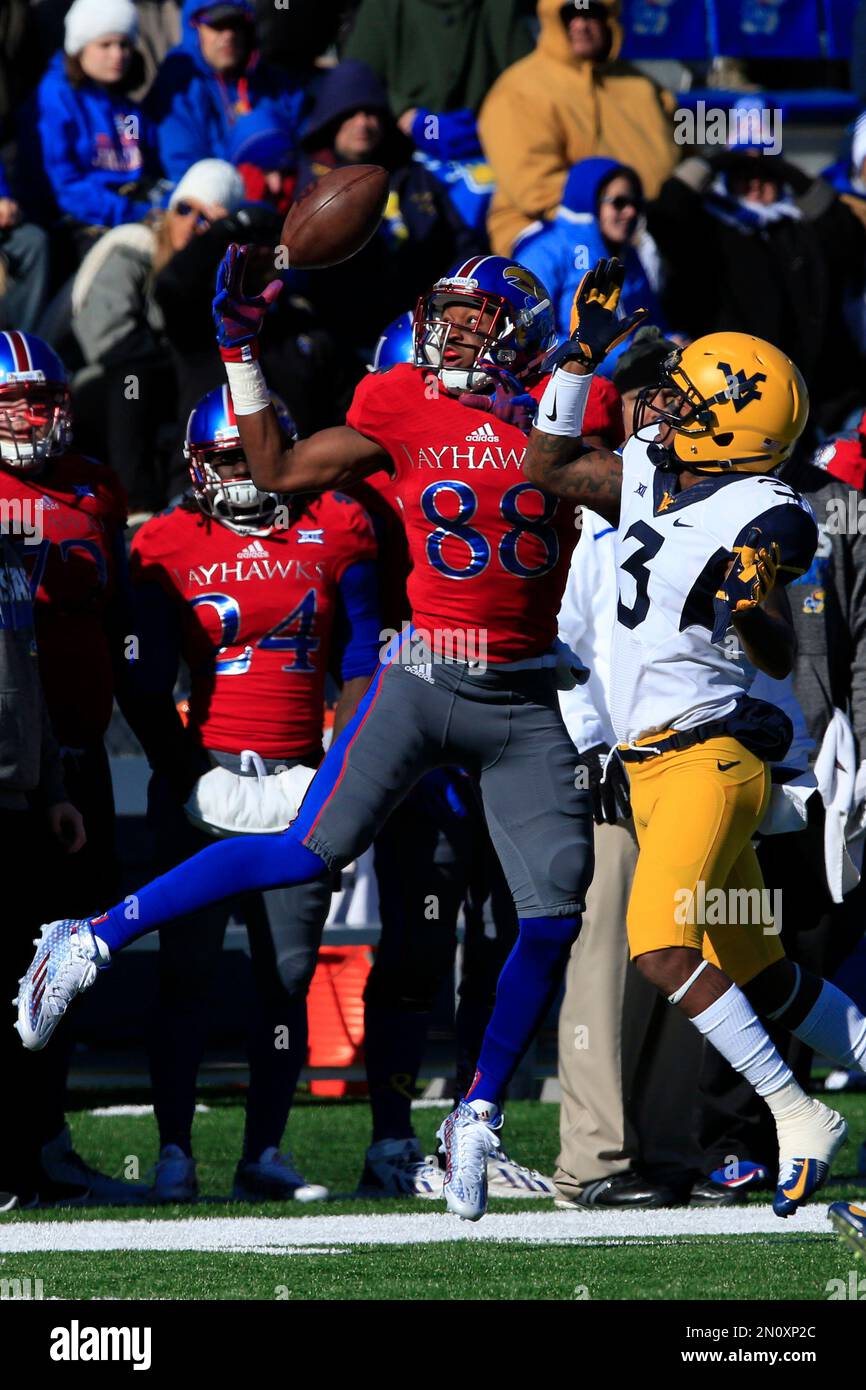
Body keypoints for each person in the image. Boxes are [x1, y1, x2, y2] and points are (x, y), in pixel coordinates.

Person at [15, 252, 619, 1228]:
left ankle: (471, 1119)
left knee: (551, 911)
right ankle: (87, 938)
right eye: (449, 316)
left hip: (519, 693)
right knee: (307, 849)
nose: (458, 336)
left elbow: (598, 480)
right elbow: (279, 471)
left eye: (480, 320)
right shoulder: (394, 397)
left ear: (523, 333)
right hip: (423, 675)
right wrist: (241, 346)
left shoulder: (569, 412)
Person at [516, 261, 866, 1227]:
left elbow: (772, 625)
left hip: (707, 763)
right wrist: (577, 361)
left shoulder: (771, 511)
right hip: (652, 769)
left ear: (734, 424)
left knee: (661, 947)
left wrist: (751, 596)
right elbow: (544, 466)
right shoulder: (644, 478)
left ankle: (798, 1115)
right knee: (760, 966)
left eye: (684, 398)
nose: (662, 406)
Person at [127, 384, 380, 1200]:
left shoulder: (335, 526)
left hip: (301, 777)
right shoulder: (168, 542)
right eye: (224, 458)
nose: (240, 474)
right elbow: (141, 678)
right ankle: (173, 1149)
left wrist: (342, 760)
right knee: (187, 973)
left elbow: (365, 657)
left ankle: (264, 1150)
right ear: (198, 466)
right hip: (206, 776)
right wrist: (181, 767)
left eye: (250, 455)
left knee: (290, 973)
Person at [2, 329, 147, 1204]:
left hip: (67, 766)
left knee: (64, 965)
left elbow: (117, 623)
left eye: (48, 398)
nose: (38, 413)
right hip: (13, 762)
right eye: (17, 398)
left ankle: (44, 1141)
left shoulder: (94, 487)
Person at [71, 158, 246, 518]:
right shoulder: (130, 247)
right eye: (184, 209)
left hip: (165, 387)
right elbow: (105, 337)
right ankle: (134, 503)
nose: (192, 225)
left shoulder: (214, 277)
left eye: (207, 220)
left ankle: (191, 494)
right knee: (134, 374)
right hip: (96, 384)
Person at [647, 146, 866, 432]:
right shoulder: (706, 226)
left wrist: (783, 168)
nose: (755, 184)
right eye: (742, 175)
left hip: (819, 393)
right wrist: (721, 159)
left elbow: (847, 233)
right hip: (739, 390)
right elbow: (667, 209)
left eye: (765, 174)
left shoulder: (798, 225)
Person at [293, 60, 482, 357]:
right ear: (331, 119)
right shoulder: (314, 186)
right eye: (350, 113)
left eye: (372, 113)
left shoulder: (414, 175)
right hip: (343, 334)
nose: (363, 124)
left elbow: (462, 243)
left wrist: (460, 295)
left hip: (426, 326)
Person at [478, 0, 676, 256]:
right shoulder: (519, 89)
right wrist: (615, 215)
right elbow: (534, 187)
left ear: (609, 19)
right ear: (552, 21)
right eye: (570, 15)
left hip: (646, 226)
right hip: (551, 230)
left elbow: (684, 157)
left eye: (591, 14)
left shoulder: (643, 87)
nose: (581, 25)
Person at [343, 0, 536, 236]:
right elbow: (354, 81)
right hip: (399, 157)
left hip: (485, 159)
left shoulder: (499, 8)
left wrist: (491, 124)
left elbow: (530, 86)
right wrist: (406, 114)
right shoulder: (384, 7)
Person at [24, 0, 163, 250]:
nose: (118, 55)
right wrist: (131, 212)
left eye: (124, 44)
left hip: (132, 211)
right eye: (105, 45)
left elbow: (144, 165)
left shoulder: (127, 107)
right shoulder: (56, 97)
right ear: (80, 47)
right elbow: (64, 184)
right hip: (79, 225)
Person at [515, 157, 666, 360]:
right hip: (563, 381)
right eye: (619, 203)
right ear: (588, 202)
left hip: (626, 377)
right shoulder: (544, 251)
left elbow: (653, 322)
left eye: (635, 203)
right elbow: (531, 340)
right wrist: (629, 353)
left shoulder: (627, 253)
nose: (630, 212)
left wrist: (670, 342)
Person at [150, 0, 308, 186]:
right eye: (217, 25)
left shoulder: (273, 81)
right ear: (195, 28)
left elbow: (308, 143)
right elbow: (182, 166)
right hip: (215, 200)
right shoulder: (179, 83)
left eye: (236, 25)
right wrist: (243, 181)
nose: (228, 35)